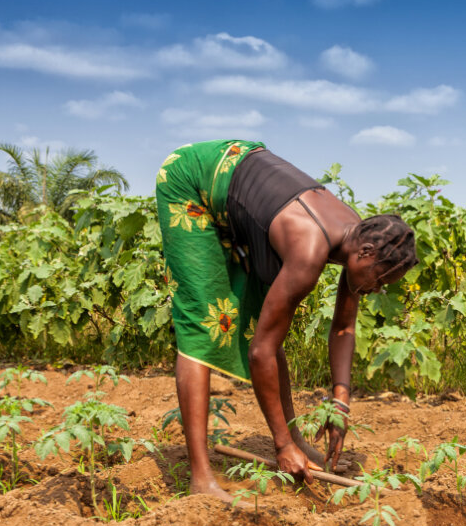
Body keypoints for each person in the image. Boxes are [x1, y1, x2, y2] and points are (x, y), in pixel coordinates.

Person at [155, 139, 417, 502]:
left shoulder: (357, 234)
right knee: (205, 324)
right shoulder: (309, 251)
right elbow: (261, 352)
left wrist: (340, 402)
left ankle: (296, 441)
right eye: (381, 279)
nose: (377, 290)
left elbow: (343, 327)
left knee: (262, 321)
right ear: (366, 253)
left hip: (237, 184)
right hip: (192, 180)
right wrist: (279, 447)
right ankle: (201, 476)